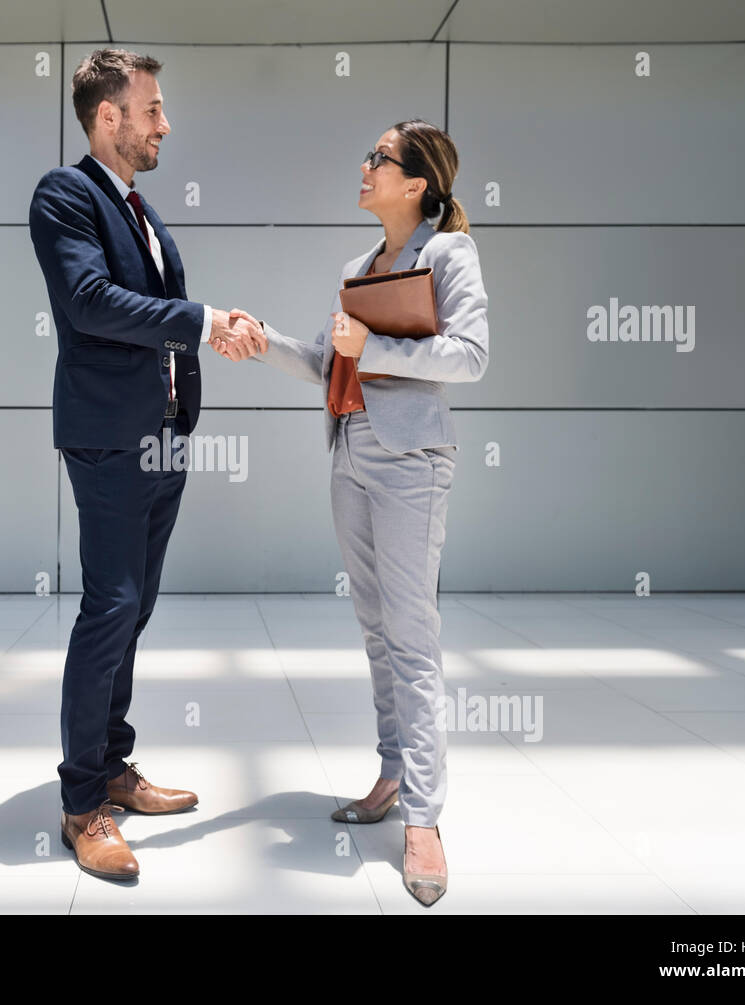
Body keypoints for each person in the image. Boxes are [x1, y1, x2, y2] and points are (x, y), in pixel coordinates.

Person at [219, 119, 489, 906]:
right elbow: (325, 357)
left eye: (378, 158)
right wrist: (258, 337)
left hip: (411, 462)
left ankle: (426, 819)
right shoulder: (360, 265)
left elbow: (470, 356)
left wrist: (367, 348)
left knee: (412, 635)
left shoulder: (449, 254)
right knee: (377, 628)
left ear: (415, 183)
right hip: (351, 453)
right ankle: (392, 773)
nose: (364, 166)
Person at [27, 48, 266, 881]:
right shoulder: (67, 195)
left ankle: (113, 764)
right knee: (110, 604)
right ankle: (81, 802)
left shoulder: (139, 209)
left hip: (163, 432)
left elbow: (157, 314)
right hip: (108, 437)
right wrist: (203, 321)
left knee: (137, 607)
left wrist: (211, 325)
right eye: (152, 108)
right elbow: (91, 305)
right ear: (108, 118)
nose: (165, 122)